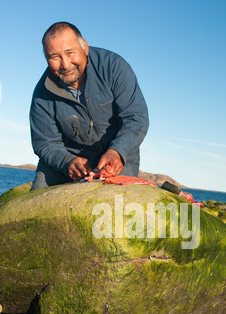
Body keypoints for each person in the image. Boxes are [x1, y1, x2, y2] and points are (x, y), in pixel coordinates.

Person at [29, 22, 149, 189]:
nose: (65, 64)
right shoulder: (42, 93)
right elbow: (45, 143)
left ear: (84, 46)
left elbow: (136, 118)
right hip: (69, 156)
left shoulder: (114, 67)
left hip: (116, 150)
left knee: (116, 207)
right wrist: (66, 162)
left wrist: (118, 151)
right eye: (55, 57)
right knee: (37, 201)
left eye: (70, 53)